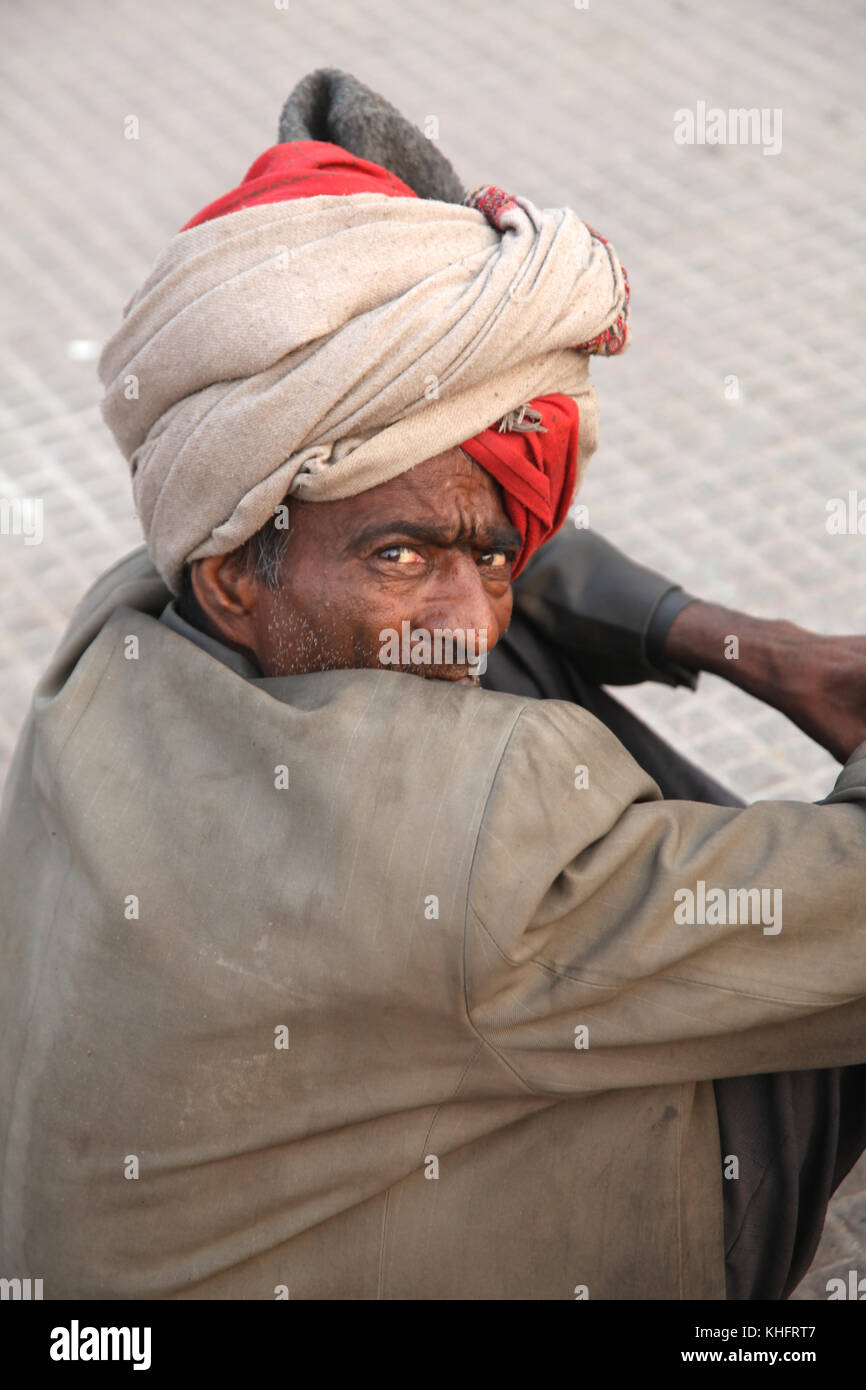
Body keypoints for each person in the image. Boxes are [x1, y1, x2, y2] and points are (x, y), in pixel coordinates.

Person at [0, 70, 864, 1302]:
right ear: (241, 569)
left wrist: (743, 645)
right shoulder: (470, 847)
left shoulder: (141, 605)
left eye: (493, 553)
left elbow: (452, 532)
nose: (461, 629)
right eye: (396, 556)